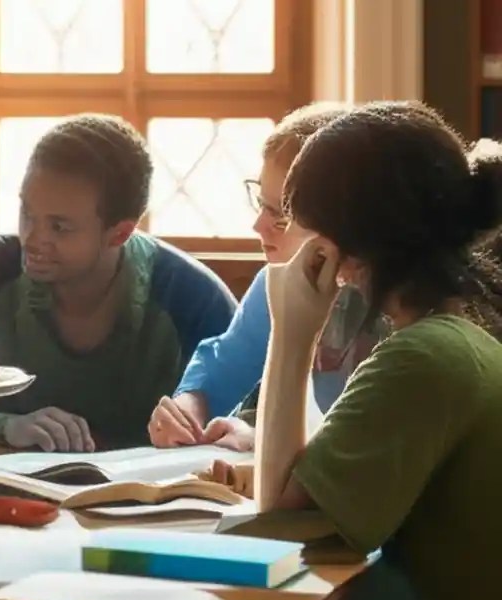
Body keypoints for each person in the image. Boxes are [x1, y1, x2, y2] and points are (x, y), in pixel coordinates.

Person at [257, 101, 502, 600]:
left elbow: (280, 515)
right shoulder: (455, 338)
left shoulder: (423, 359)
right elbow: (309, 482)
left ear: (343, 248)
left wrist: (291, 335)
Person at [0, 113, 236, 452]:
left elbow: (248, 426)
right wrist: (4, 427)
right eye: (27, 214)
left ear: (120, 233)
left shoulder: (194, 301)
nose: (33, 240)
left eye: (59, 227)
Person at [148, 102, 384, 451]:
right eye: (260, 203)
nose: (258, 226)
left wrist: (259, 440)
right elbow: (226, 361)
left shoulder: (391, 303)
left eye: (280, 215)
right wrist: (189, 409)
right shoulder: (273, 283)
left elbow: (371, 439)